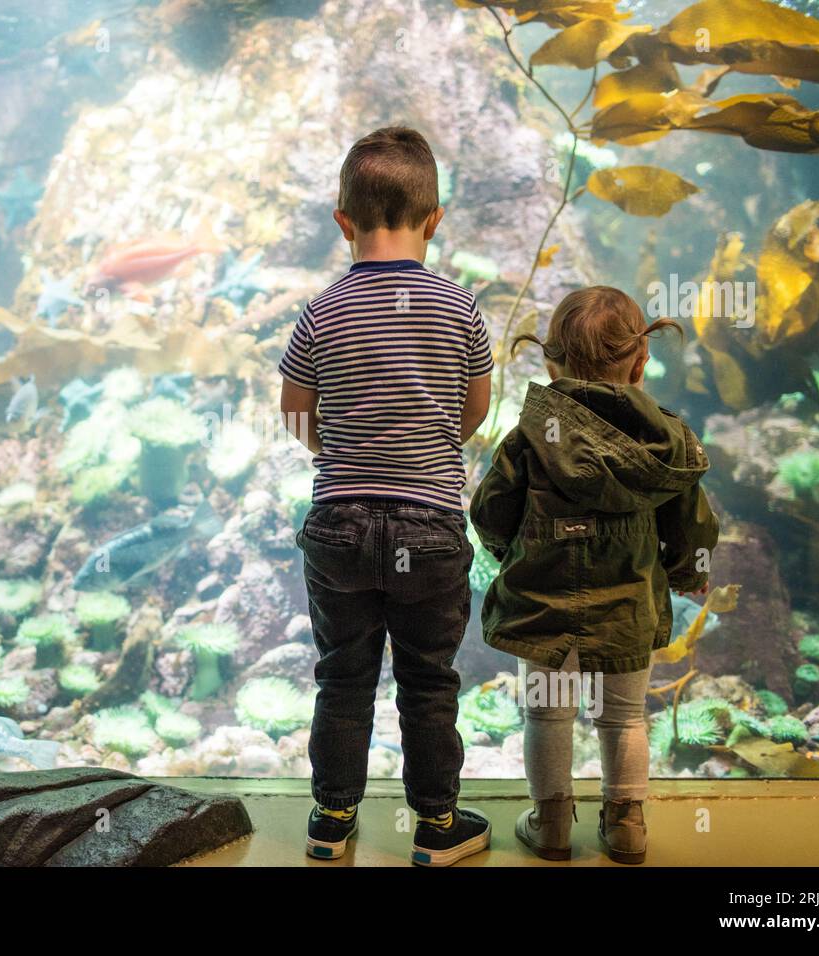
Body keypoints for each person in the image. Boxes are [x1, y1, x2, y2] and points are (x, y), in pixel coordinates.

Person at [278, 126, 494, 866]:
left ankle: (331, 823)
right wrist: (426, 445)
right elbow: (475, 414)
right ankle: (436, 829)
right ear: (435, 219)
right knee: (429, 680)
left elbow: (297, 414)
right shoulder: (461, 309)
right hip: (430, 526)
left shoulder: (320, 311)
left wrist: (340, 450)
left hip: (339, 522)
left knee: (342, 676)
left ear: (343, 221)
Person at [470, 286, 719, 864]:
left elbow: (490, 509)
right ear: (641, 360)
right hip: (629, 607)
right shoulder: (666, 442)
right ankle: (627, 825)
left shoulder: (531, 435)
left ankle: (551, 822)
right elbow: (692, 519)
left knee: (547, 713)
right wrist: (686, 570)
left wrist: (507, 549)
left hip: (540, 606)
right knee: (625, 717)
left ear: (550, 360)